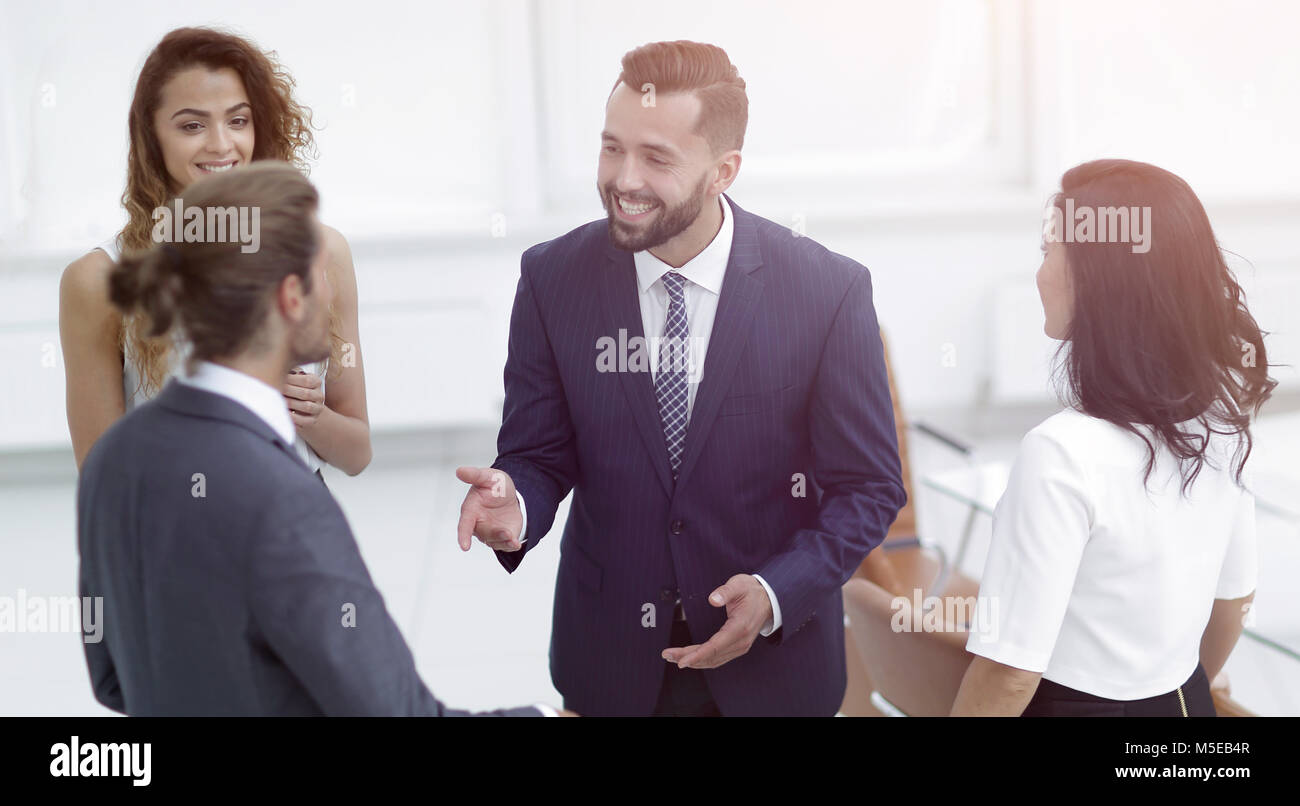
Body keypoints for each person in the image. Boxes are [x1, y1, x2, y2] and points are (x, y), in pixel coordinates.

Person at [455, 41, 905, 716]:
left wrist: (778, 591)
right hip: (610, 662)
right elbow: (540, 453)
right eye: (612, 148)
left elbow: (869, 489)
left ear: (724, 170)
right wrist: (515, 504)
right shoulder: (552, 279)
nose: (622, 178)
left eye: (656, 158)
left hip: (774, 671)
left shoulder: (826, 291)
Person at [78, 162, 555, 717]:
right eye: (320, 269)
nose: (332, 285)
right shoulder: (284, 497)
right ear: (290, 297)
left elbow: (112, 679)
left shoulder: (114, 457)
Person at [951, 159, 1275, 717]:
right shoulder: (1221, 415)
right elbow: (1233, 602)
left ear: (1096, 278)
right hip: (1183, 702)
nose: (1039, 272)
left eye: (1049, 251)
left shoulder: (1060, 453)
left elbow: (1008, 675)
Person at [59, 26, 371, 481]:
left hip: (296, 531)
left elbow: (357, 453)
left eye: (238, 120)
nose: (222, 145)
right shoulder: (99, 279)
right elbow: (103, 483)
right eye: (192, 125)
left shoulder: (323, 252)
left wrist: (310, 415)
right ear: (151, 136)